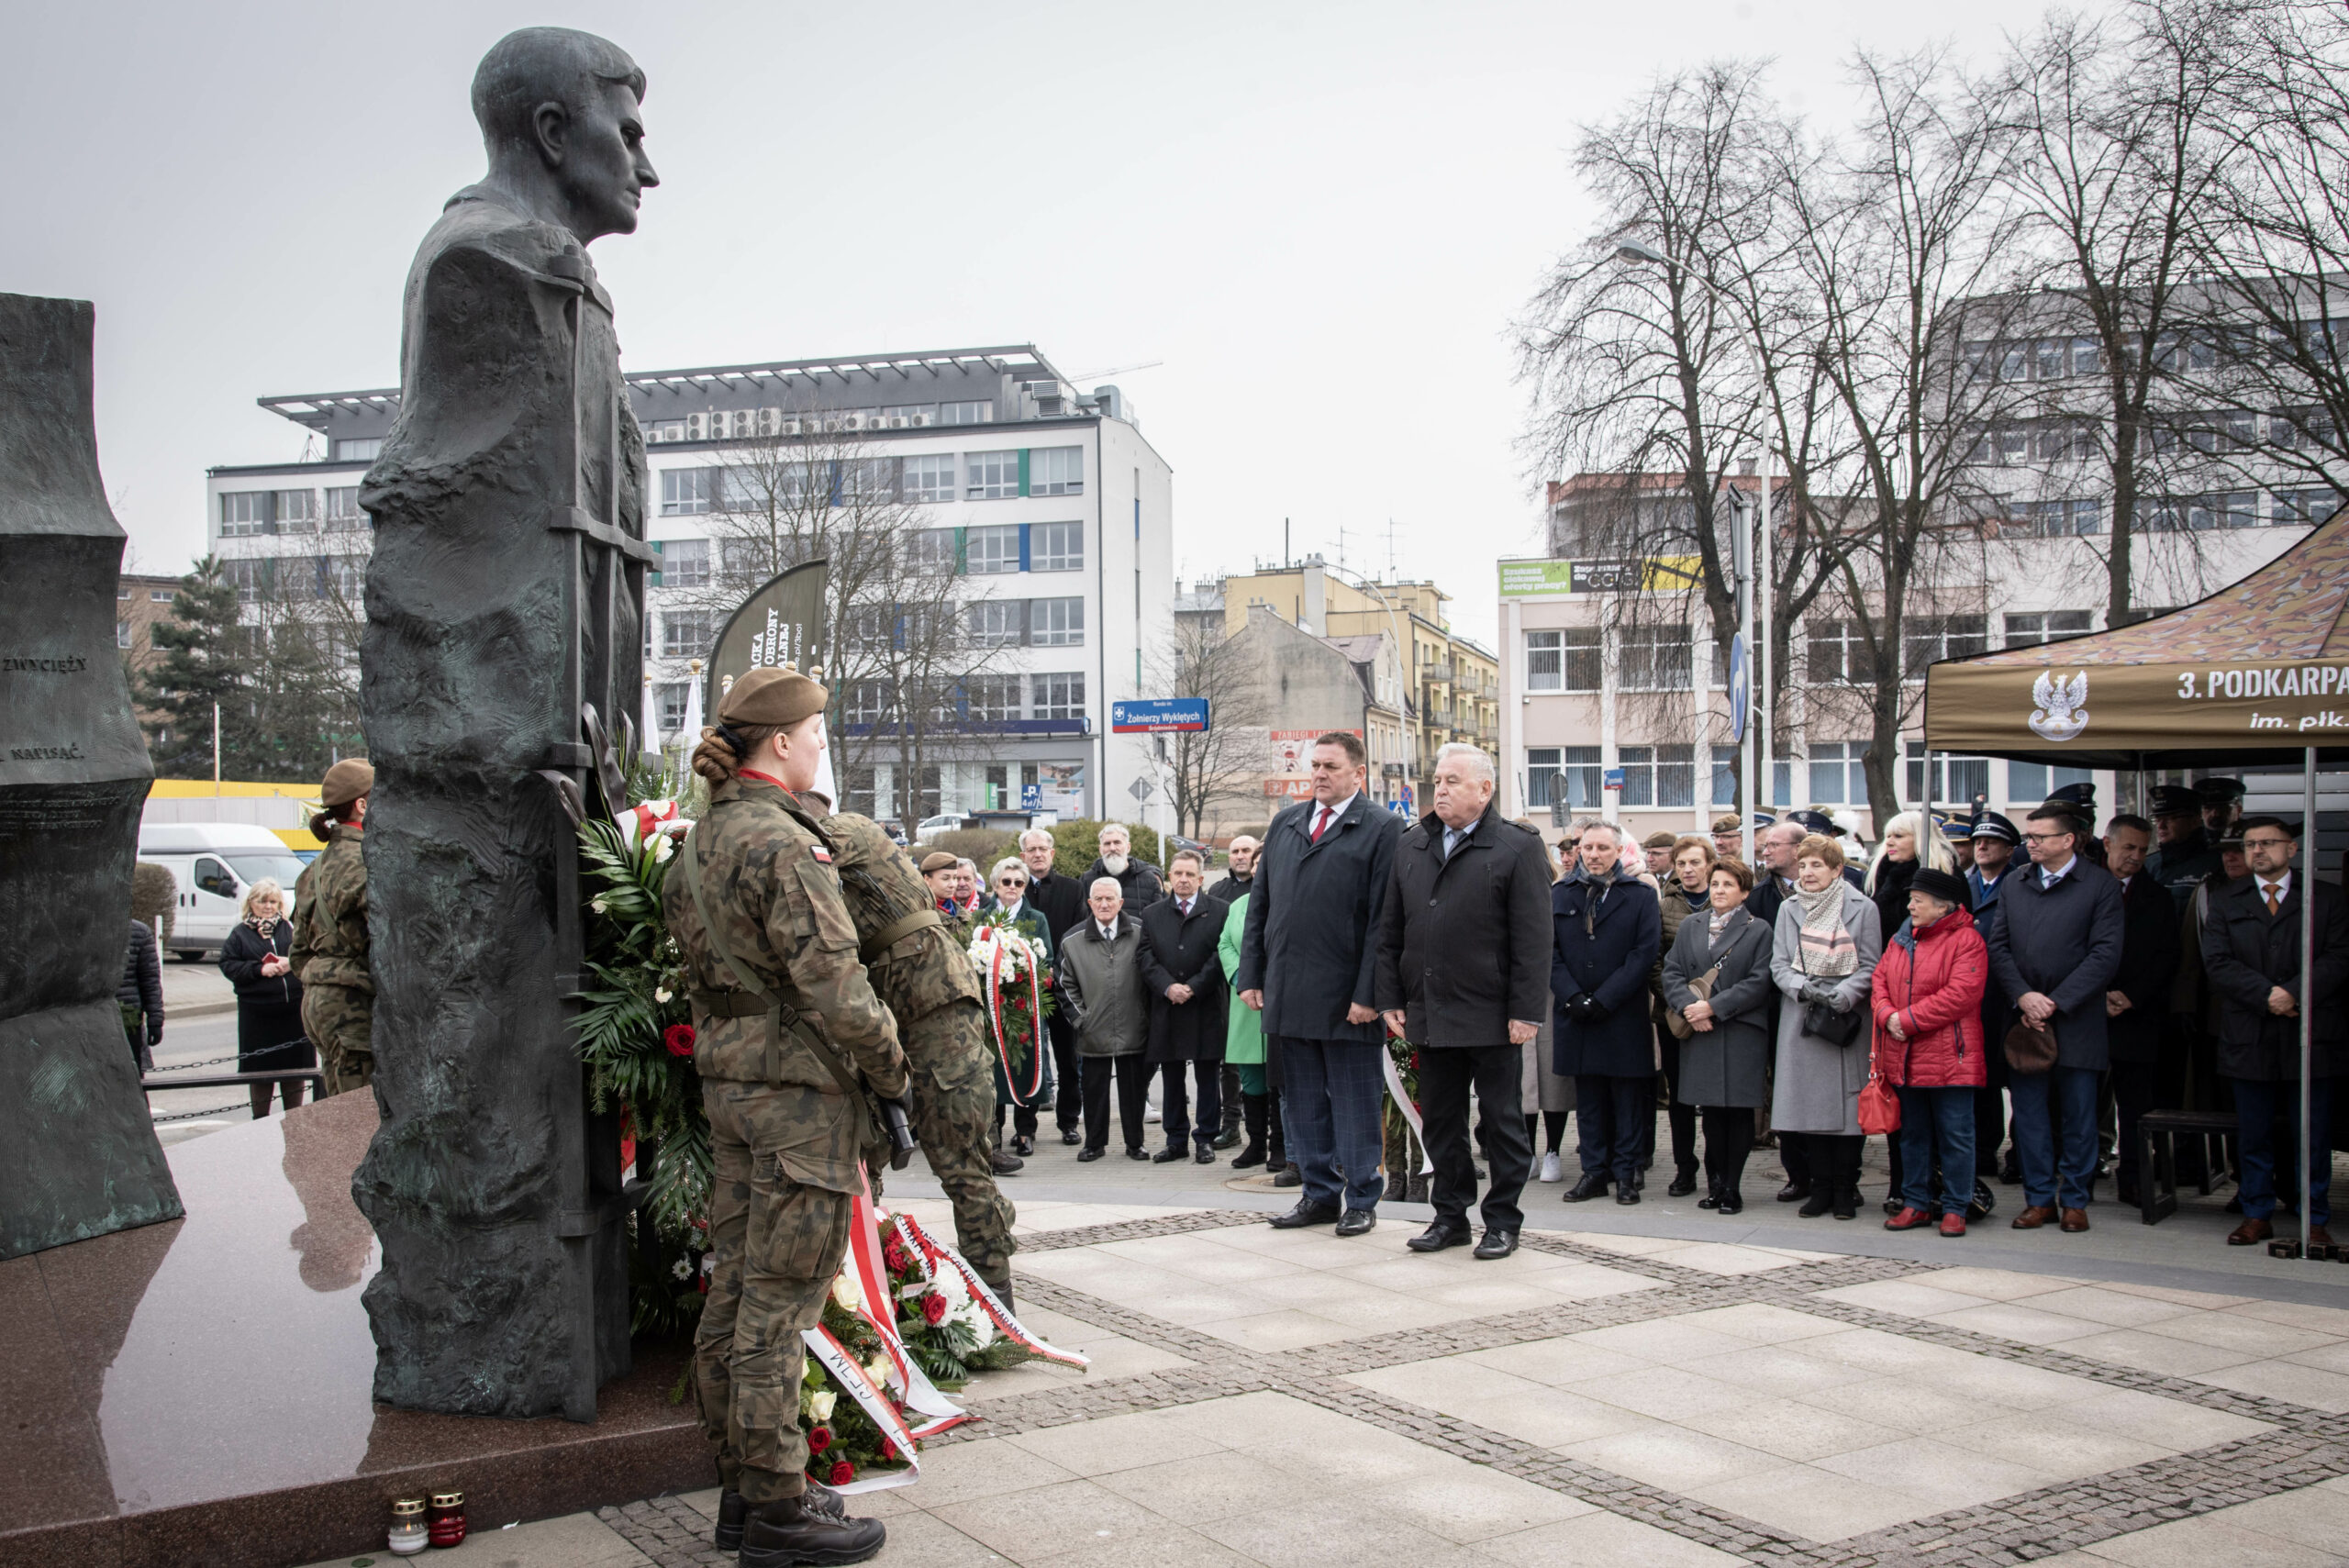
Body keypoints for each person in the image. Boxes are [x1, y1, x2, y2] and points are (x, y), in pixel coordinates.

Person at [664, 666, 907, 1565]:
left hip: (729, 1082)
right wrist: (892, 1067)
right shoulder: (781, 843)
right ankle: (774, 1507)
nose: (818, 744)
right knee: (778, 1297)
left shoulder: (699, 841)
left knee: (735, 1286)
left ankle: (742, 1487)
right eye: (813, 731)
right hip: (800, 1094)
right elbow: (839, 990)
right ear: (778, 742)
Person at [812, 807, 1023, 1273]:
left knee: (961, 1161)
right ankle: (873, 1289)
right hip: (879, 1014)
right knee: (867, 1157)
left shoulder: (845, 828)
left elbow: (795, 853)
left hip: (935, 1011)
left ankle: (998, 1301)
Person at [1375, 743, 1550, 1259]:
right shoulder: (1412, 845)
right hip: (1428, 1009)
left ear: (1484, 789)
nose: (1441, 789)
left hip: (1494, 1015)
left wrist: (1526, 1010)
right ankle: (1450, 1217)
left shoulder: (1517, 847)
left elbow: (1535, 938)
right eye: (1437, 779)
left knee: (1501, 1123)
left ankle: (1502, 1222)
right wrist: (1391, 997)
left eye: (1453, 780)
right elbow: (1390, 931)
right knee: (1442, 1123)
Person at [1237, 730, 1405, 1236]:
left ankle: (1361, 1198)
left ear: (1357, 772)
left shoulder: (1381, 827)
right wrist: (1252, 975)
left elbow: (1384, 920)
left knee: (1354, 1100)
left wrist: (1369, 994)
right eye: (1316, 766)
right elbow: (1259, 907)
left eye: (1330, 766)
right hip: (1288, 990)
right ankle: (1317, 1193)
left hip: (1347, 997)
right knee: (1301, 1100)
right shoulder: (1287, 822)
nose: (1319, 775)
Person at [2202, 816, 2347, 1249]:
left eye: (2267, 843)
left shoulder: (2327, 899)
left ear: (2292, 849)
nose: (2257, 852)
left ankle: (2313, 1217)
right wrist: (2268, 995)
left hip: (2309, 1033)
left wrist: (2294, 993)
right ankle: (2256, 1212)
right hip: (2250, 1031)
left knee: (2312, 1133)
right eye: (2250, 845)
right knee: (2255, 1133)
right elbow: (2218, 963)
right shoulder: (2226, 901)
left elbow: (2340, 958)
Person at [1989, 803, 2124, 1234]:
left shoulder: (2100, 886)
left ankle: (2076, 1200)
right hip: (2027, 1021)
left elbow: (2105, 954)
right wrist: (2025, 997)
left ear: (2068, 840)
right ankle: (2039, 1198)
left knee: (2080, 1117)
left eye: (2039, 837)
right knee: (2029, 1117)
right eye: (2029, 837)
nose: (2029, 844)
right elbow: (1999, 946)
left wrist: (2057, 1001)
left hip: (2077, 1020)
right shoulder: (2016, 882)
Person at [1769, 833, 1883, 1221]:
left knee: (1849, 1113)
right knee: (1809, 1110)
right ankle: (1819, 1190)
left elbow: (1871, 963)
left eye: (1817, 864)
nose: (1808, 872)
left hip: (1846, 1021)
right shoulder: (1789, 909)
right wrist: (1804, 989)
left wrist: (1847, 993)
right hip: (1804, 1016)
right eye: (1803, 865)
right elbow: (1779, 964)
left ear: (1837, 869)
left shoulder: (1863, 908)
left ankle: (1846, 1189)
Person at [1873, 867, 1988, 1236]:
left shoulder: (1967, 940)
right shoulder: (1902, 938)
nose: (1910, 906)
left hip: (1950, 1057)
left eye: (1917, 901)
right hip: (1905, 1055)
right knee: (1913, 1134)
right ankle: (1916, 1203)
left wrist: (1904, 1021)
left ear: (1942, 907)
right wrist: (1886, 1014)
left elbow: (1960, 995)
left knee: (1956, 1134)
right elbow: (1879, 980)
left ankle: (1956, 1206)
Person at [1553, 821, 1664, 1205]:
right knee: (1589, 1098)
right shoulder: (1560, 893)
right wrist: (1572, 997)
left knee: (1627, 1097)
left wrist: (1605, 999)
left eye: (1602, 848)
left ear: (1619, 851)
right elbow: (1548, 953)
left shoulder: (1639, 896)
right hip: (1576, 1012)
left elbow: (1644, 953)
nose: (1594, 855)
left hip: (1620, 1013)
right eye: (1588, 848)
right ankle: (1594, 1172)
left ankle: (1626, 1173)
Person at [1663, 858, 1774, 1213]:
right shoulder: (1692, 926)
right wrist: (1689, 1008)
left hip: (1739, 1030)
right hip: (1701, 1031)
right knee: (1710, 1114)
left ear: (1744, 892)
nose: (1720, 891)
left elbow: (1759, 982)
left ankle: (1733, 1188)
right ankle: (1715, 1185)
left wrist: (1714, 1007)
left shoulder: (1759, 930)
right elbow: (1672, 972)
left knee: (1737, 1113)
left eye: (1728, 885)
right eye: (1715, 884)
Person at [2104, 815, 2181, 1207]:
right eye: (2128, 848)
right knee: (2079, 1103)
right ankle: (2077, 1176)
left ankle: (2133, 1176)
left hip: (2137, 1015)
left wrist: (2130, 996)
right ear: (2107, 844)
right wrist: (2096, 994)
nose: (2135, 857)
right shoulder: (2087, 888)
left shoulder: (2158, 896)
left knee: (2135, 1104)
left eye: (2142, 850)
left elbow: (2167, 957)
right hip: (2087, 1012)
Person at [291, 757, 374, 1097]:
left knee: (340, 1107)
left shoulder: (313, 868)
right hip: (354, 1007)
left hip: (319, 1004)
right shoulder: (367, 863)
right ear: (362, 805)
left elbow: (298, 954)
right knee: (361, 1118)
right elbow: (389, 945)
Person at [1139, 850, 1228, 1164]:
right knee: (1172, 1075)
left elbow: (1222, 955)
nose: (1183, 880)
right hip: (1167, 1006)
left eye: (1190, 874)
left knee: (1206, 1075)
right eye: (1178, 874)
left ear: (1201, 879)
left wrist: (1193, 986)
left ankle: (1205, 1138)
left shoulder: (1221, 911)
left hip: (1204, 1005)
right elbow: (1145, 957)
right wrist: (1167, 986)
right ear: (1169, 878)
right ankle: (1175, 1139)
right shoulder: (1152, 914)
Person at [1058, 878, 1152, 1161]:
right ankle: (1094, 1144)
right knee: (1095, 1090)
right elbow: (1063, 984)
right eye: (1098, 899)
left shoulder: (1141, 932)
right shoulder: (1071, 940)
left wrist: (1147, 1016)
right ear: (1089, 903)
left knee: (1133, 1091)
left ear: (1121, 902)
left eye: (1110, 898)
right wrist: (1080, 1019)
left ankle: (1135, 1144)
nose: (1104, 904)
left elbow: (1152, 974)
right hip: (1092, 1029)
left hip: (1134, 1027)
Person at [1649, 837, 1716, 1195]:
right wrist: (1681, 1003)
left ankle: (1717, 1169)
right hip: (1674, 1016)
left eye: (1694, 862)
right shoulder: (1664, 906)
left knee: (1715, 1096)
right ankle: (1684, 1167)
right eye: (1682, 863)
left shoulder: (1724, 898)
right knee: (1680, 1097)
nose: (1688, 870)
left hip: (1716, 1014)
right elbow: (1655, 960)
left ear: (1709, 864)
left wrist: (1710, 1004)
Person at [1018, 828, 1089, 1145]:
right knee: (1029, 1058)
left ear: (1052, 853)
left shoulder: (1073, 889)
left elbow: (1077, 935)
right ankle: (1025, 1128)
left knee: (1067, 1057)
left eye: (1042, 849)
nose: (1037, 854)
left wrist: (1061, 973)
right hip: (1024, 988)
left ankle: (1069, 1122)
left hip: (1062, 985)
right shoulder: (1015, 889)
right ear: (1023, 856)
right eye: (1031, 850)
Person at [220, 879, 314, 1118]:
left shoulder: (291, 929)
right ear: (251, 903)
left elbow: (308, 956)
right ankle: (260, 1122)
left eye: (273, 901)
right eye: (262, 901)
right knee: (262, 1075)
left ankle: (295, 1120)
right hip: (258, 1015)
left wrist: (289, 963)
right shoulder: (240, 934)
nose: (268, 906)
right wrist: (257, 970)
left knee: (295, 1073)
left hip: (293, 1011)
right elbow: (228, 964)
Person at [984, 857, 1055, 1158]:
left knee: (1025, 1067)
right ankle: (994, 1131)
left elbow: (1047, 959)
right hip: (992, 1004)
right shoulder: (981, 917)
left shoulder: (1036, 917)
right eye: (1007, 882)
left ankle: (1025, 1131)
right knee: (993, 1069)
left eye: (1019, 882)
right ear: (995, 885)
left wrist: (1025, 978)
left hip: (1024, 1004)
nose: (1013, 888)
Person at [1967, 811, 2022, 1183]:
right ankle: (1984, 1151)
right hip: (1974, 998)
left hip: (2009, 996)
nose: (1982, 846)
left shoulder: (2019, 885)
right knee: (1980, 1078)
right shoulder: (1965, 885)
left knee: (2020, 1078)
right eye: (1977, 841)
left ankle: (2021, 1154)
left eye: (1991, 841)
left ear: (2009, 849)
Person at [1204, 833, 1260, 1149]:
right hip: (1230, 988)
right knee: (1231, 1061)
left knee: (1261, 1063)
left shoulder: (1267, 891)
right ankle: (1231, 1123)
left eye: (1246, 851)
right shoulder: (1219, 891)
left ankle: (1266, 1129)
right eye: (1235, 851)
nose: (1240, 855)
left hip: (1264, 990)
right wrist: (1236, 975)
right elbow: (1219, 940)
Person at [1219, 885, 1280, 1170]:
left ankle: (1281, 1146)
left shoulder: (1290, 896)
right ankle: (1256, 1145)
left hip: (1282, 997)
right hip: (1246, 1000)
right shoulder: (1239, 905)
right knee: (1251, 1078)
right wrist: (1244, 978)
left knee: (1281, 1078)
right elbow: (1225, 945)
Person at [118, 917, 164, 1073]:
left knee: (132, 1078)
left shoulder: (138, 932)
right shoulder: (82, 928)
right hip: (94, 1022)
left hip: (128, 1020)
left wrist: (155, 1020)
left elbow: (150, 981)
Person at [1084, 822, 1163, 910]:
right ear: (1100, 849)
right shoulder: (1087, 880)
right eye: (1107, 844)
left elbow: (1157, 916)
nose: (1112, 848)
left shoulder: (1149, 880)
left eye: (1117, 842)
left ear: (1128, 847)